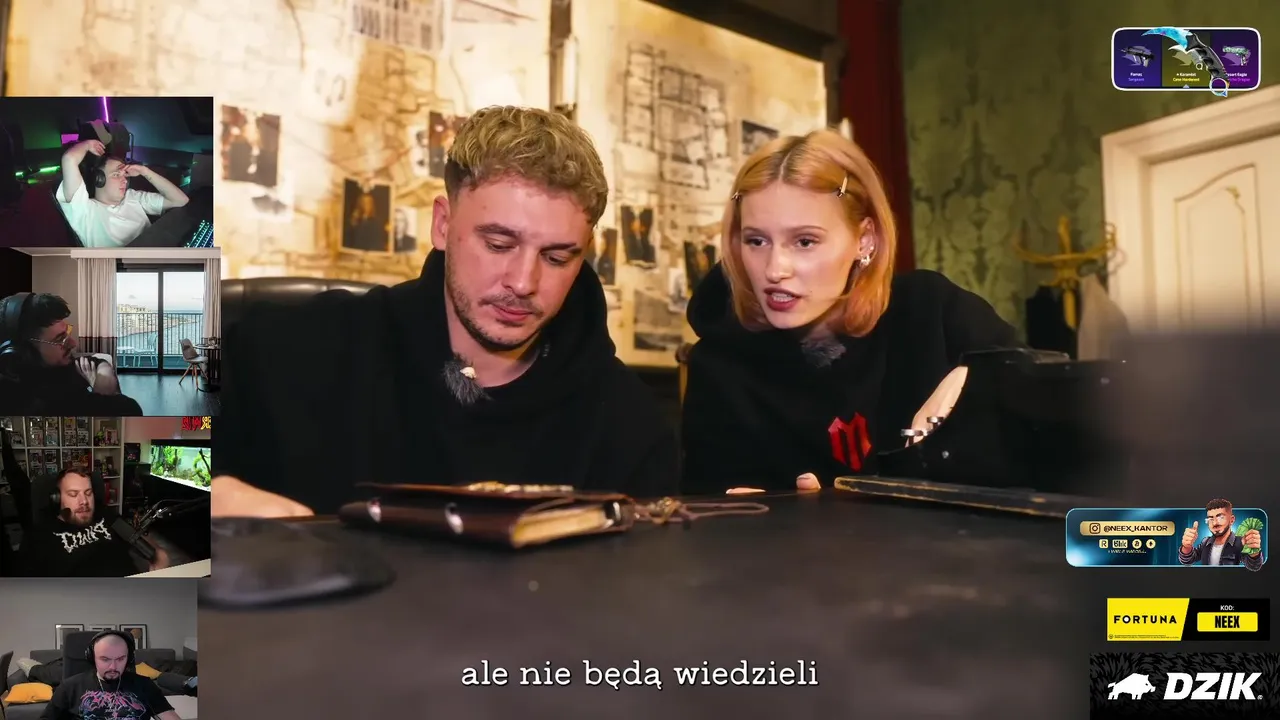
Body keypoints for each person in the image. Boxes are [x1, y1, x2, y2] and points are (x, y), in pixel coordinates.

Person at [214, 106, 679, 517]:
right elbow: (165, 434)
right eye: (498, 244)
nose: (523, 282)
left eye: (557, 257)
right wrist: (204, 490)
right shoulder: (301, 350)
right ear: (442, 224)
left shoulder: (628, 424)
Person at [681, 129, 1021, 495]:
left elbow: (1041, 410)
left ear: (864, 240)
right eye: (756, 241)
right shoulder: (719, 366)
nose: (775, 269)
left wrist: (980, 378)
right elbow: (711, 502)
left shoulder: (931, 312)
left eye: (805, 241)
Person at [0, 292, 144, 415]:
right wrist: (102, 397)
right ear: (22, 352)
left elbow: (95, 362)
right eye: (60, 339)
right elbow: (131, 410)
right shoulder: (33, 404)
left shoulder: (54, 367)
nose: (73, 343)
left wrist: (103, 374)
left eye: (66, 333)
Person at [15, 469, 171, 577]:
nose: (84, 501)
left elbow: (137, 537)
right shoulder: (39, 535)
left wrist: (158, 553)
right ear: (57, 499)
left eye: (88, 493)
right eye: (73, 494)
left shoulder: (108, 516)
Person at [57, 137, 189, 248]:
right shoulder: (84, 210)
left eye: (124, 175)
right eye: (116, 175)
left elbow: (180, 200)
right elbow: (69, 159)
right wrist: (86, 145)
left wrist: (145, 171)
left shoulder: (133, 196)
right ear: (99, 179)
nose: (125, 180)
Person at [40, 631, 181, 720]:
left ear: (129, 659)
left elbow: (168, 716)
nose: (113, 667)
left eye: (120, 659)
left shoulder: (144, 685)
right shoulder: (70, 687)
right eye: (105, 659)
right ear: (92, 658)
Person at [1178, 499, 1263, 571]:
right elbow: (1188, 561)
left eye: (1220, 517)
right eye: (1210, 519)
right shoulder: (1205, 542)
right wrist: (1186, 547)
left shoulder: (1240, 542)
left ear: (1232, 520)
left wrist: (1254, 552)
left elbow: (1254, 566)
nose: (1215, 523)